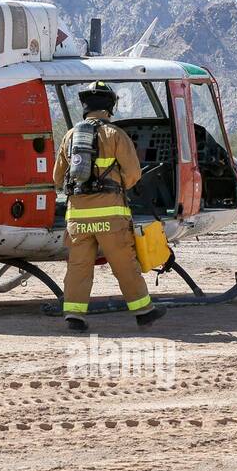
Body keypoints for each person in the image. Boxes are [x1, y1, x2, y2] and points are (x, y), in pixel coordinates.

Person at [53, 81, 164, 331]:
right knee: (124, 264)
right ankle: (144, 311)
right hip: (111, 217)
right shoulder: (115, 135)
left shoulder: (70, 136)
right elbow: (133, 174)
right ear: (110, 106)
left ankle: (74, 314)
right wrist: (114, 187)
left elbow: (57, 178)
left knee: (79, 267)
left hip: (77, 220)